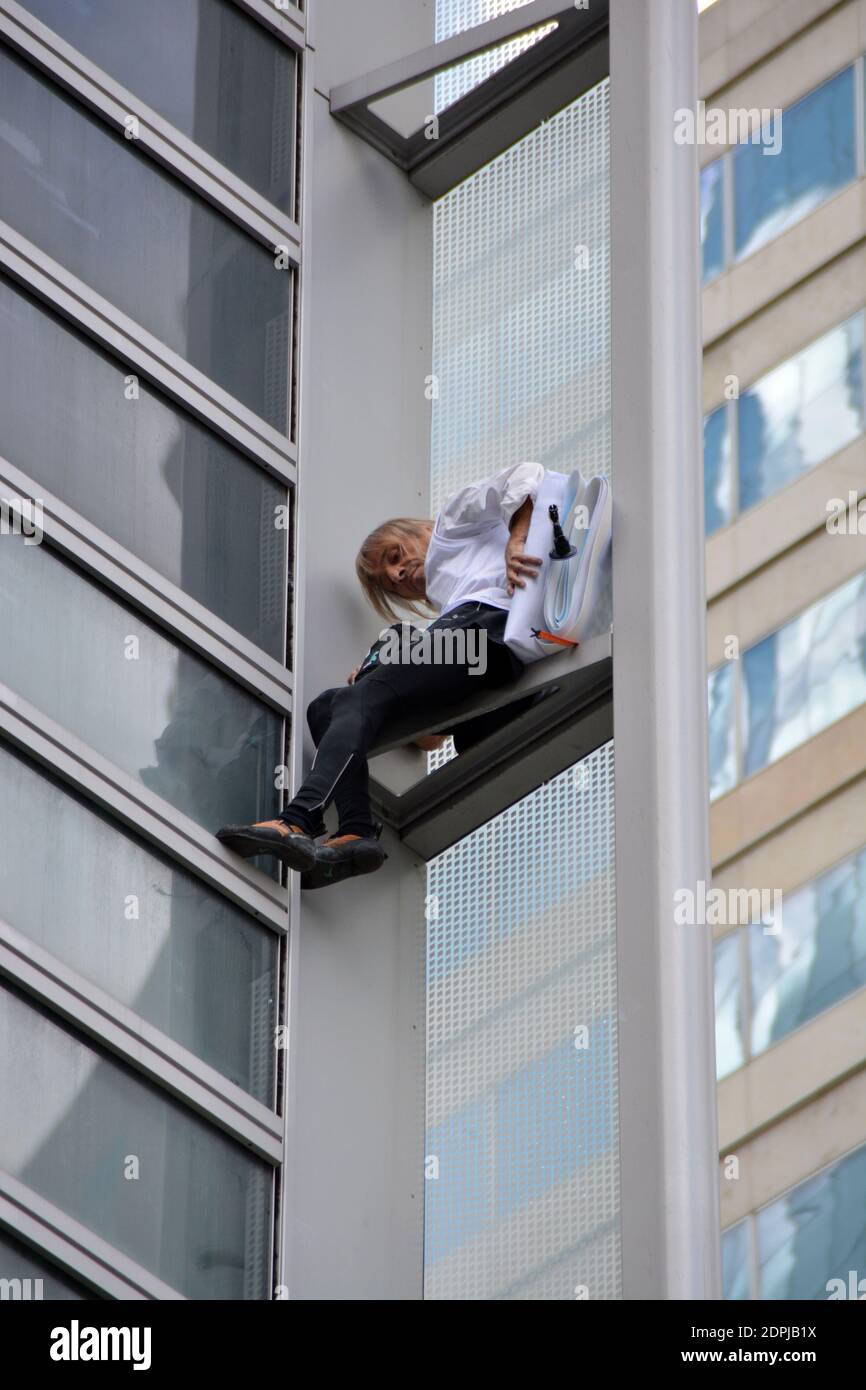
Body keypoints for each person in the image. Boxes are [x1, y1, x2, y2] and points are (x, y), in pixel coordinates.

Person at [217, 462, 545, 888]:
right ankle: (355, 831)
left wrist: (516, 541)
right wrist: (381, 686)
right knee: (327, 706)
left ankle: (299, 818)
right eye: (390, 584)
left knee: (369, 682)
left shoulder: (452, 525)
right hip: (480, 654)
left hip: (486, 633)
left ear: (418, 531)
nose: (396, 574)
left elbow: (525, 475)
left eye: (394, 556)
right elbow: (430, 738)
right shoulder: (449, 595)